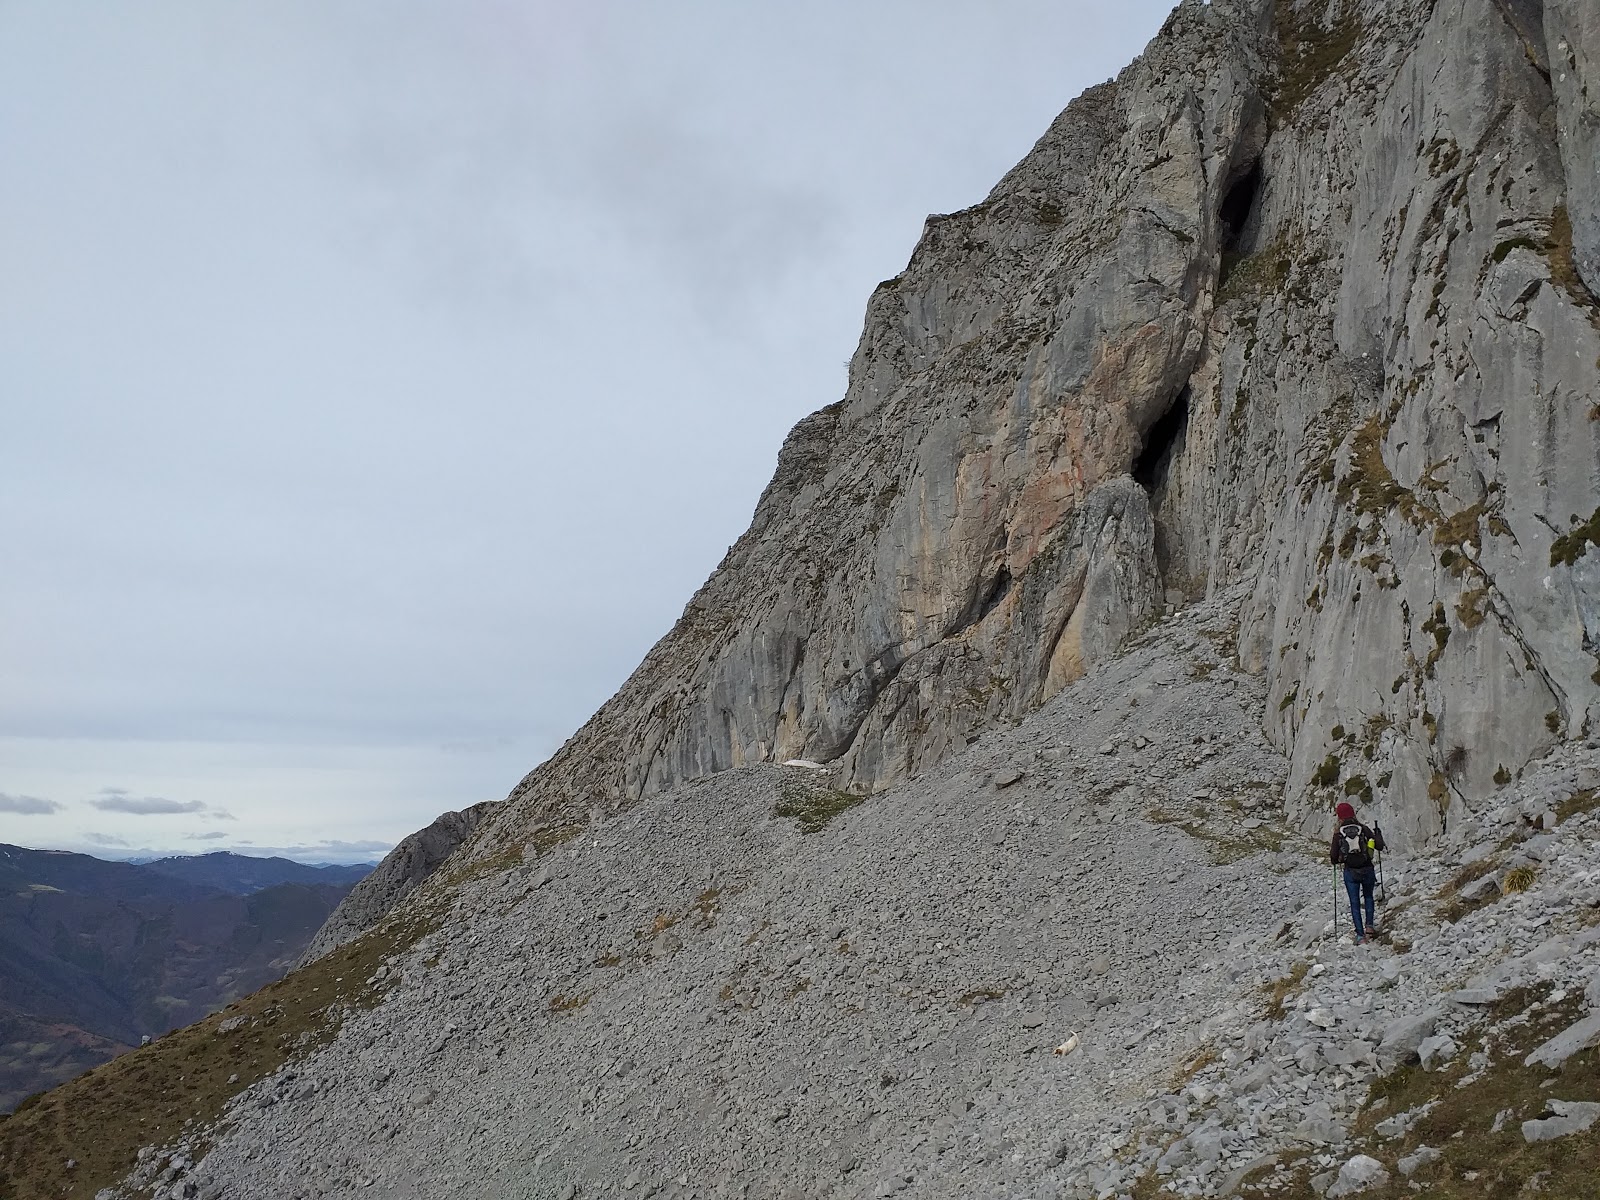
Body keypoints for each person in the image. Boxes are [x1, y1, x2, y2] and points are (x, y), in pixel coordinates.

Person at [1330, 801, 1385, 944]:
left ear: (1339, 817)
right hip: (1367, 868)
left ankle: (1360, 936)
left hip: (1351, 872)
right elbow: (1379, 846)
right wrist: (1378, 834)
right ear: (1353, 813)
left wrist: (1342, 858)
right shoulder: (1362, 828)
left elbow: (1333, 858)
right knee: (1368, 897)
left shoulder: (1338, 833)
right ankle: (1370, 927)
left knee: (1354, 903)